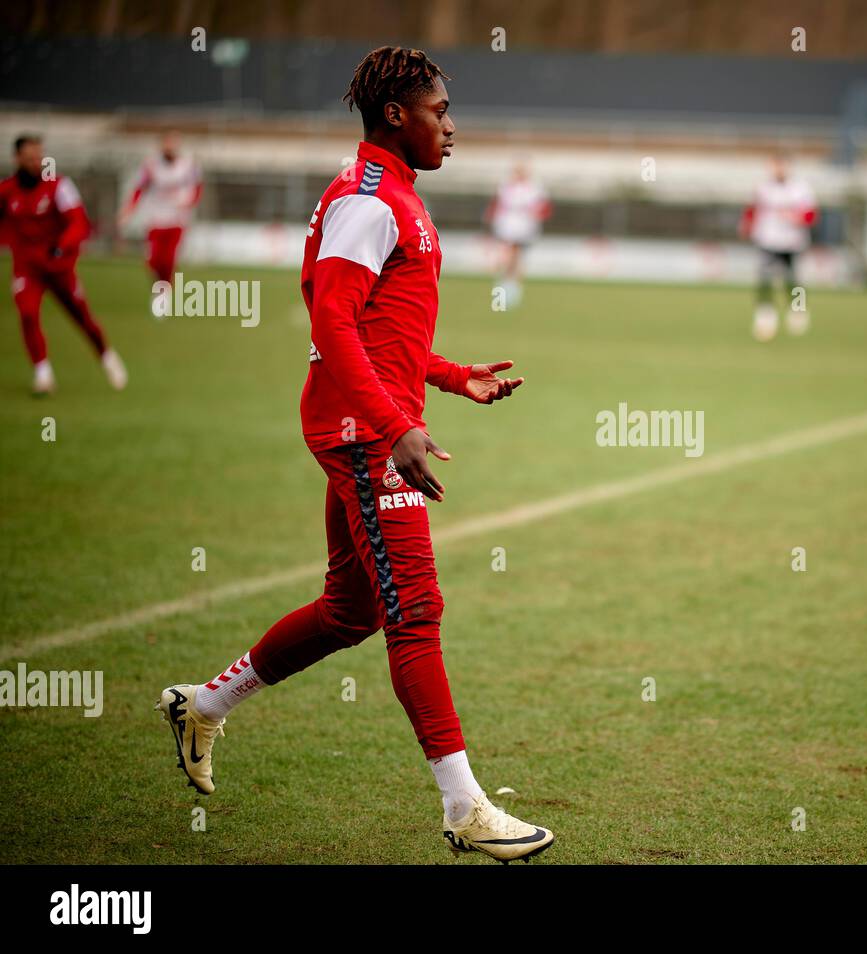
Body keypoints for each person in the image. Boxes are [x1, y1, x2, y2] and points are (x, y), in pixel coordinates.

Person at [155, 47, 553, 864]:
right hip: (360, 432)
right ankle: (466, 808)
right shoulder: (369, 198)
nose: (452, 125)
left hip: (370, 420)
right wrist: (393, 426)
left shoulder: (391, 194)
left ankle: (203, 705)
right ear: (398, 116)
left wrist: (445, 377)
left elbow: (379, 328)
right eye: (440, 110)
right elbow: (332, 325)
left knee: (351, 610)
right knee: (416, 608)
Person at [0, 135, 127, 394]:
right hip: (27, 269)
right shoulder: (7, 190)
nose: (36, 162)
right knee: (27, 314)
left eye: (40, 157)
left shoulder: (59, 186)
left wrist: (62, 245)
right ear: (17, 159)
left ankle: (106, 355)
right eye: (30, 158)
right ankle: (43, 373)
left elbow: (79, 222)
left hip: (59, 268)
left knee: (83, 318)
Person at [740, 157, 817, 341]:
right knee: (765, 279)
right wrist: (747, 225)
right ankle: (765, 316)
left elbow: (811, 215)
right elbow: (753, 210)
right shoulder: (763, 188)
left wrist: (795, 217)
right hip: (768, 240)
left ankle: (797, 311)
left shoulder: (800, 189)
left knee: (792, 280)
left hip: (792, 241)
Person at [118, 130, 203, 290]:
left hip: (177, 218)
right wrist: (129, 209)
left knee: (169, 258)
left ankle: (165, 289)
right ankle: (160, 286)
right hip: (155, 218)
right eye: (167, 144)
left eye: (173, 144)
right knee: (153, 260)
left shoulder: (189, 165)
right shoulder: (151, 165)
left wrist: (189, 202)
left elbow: (198, 188)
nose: (169, 147)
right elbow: (139, 188)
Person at [485, 161, 550, 309]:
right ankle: (502, 294)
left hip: (525, 228)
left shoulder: (534, 188)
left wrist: (536, 215)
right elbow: (498, 205)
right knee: (507, 259)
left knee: (517, 260)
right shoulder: (506, 186)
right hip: (507, 227)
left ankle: (512, 293)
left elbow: (543, 208)